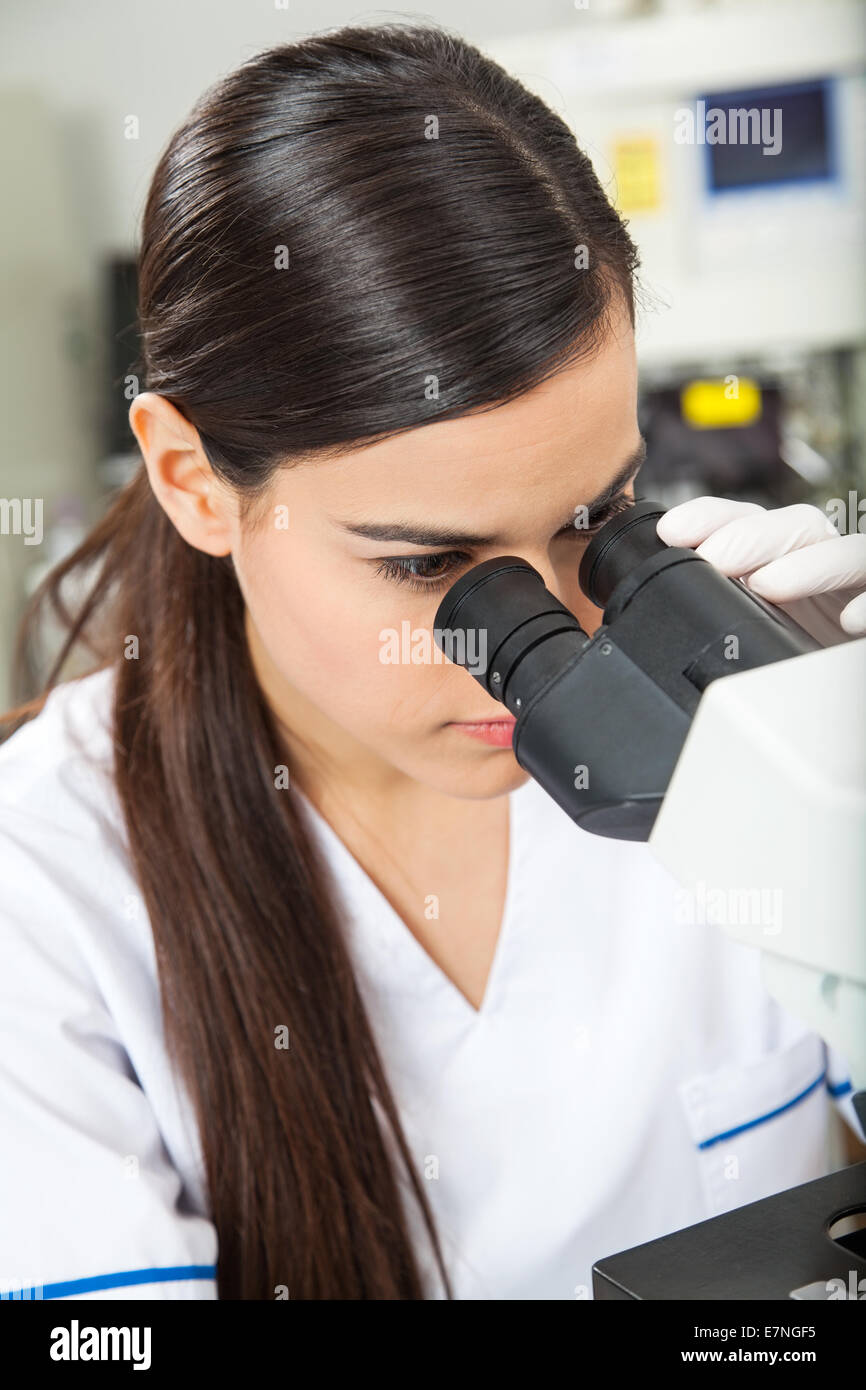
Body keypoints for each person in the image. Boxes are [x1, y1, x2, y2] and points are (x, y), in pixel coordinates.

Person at [1, 23, 864, 1302]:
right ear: (192, 479)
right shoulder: (46, 889)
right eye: (420, 564)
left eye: (594, 520)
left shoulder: (736, 732)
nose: (535, 645)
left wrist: (837, 789)